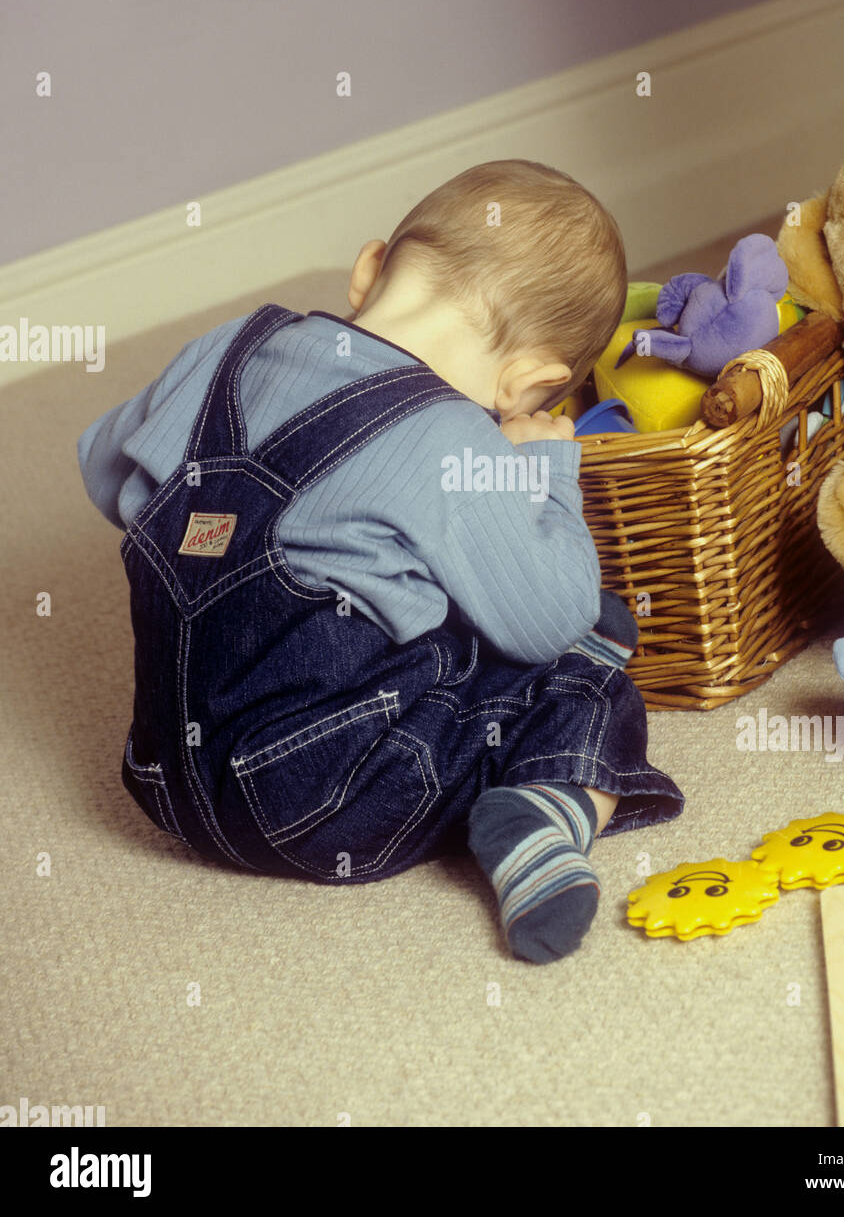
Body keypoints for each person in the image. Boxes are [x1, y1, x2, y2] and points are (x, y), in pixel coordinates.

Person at [77, 158, 683, 964]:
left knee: (416, 604)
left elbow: (102, 468)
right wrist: (540, 469)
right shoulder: (453, 440)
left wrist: (214, 531)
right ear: (528, 384)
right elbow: (551, 616)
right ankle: (542, 815)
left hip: (164, 781)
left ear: (369, 272)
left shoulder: (227, 347)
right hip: (328, 803)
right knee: (586, 673)